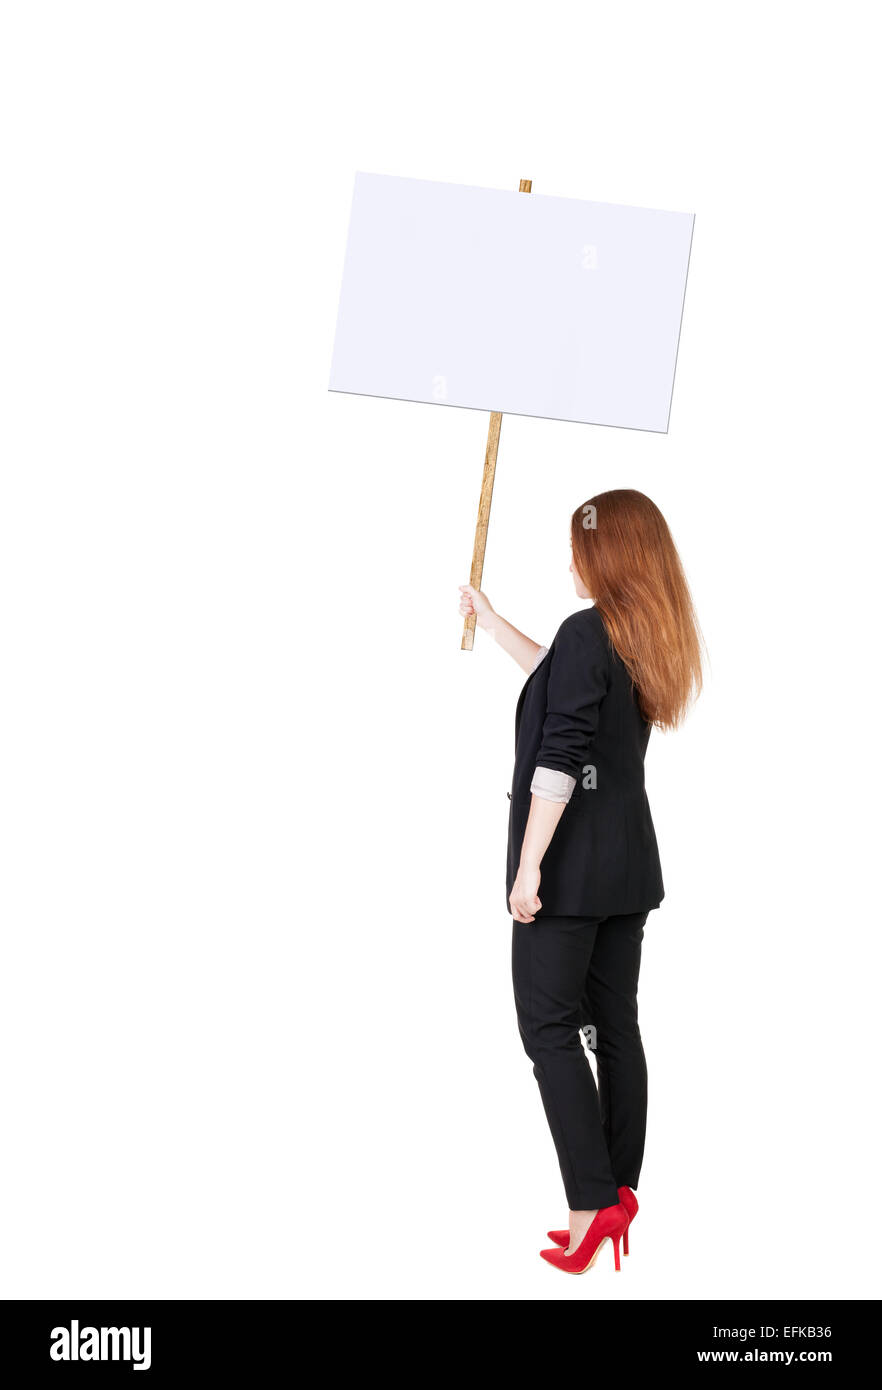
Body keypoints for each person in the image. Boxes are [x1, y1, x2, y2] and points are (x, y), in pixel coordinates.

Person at [459, 489, 703, 1274]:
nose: (571, 559)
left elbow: (561, 758)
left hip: (569, 876)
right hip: (627, 872)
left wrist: (529, 867)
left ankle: (590, 1205)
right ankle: (620, 1191)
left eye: (579, 547)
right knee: (613, 1026)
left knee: (549, 1029)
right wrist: (493, 623)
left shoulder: (589, 631)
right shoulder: (633, 636)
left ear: (608, 553)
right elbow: (564, 682)